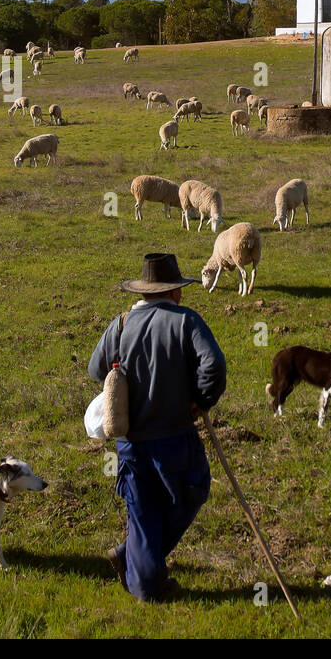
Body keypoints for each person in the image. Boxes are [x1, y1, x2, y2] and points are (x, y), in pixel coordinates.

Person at [89, 252, 226, 601]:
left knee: (143, 509)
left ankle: (130, 555)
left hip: (130, 443)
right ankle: (146, 584)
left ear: (145, 292)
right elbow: (214, 368)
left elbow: (95, 370)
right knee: (193, 489)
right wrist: (200, 402)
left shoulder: (120, 324)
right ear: (176, 291)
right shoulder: (186, 321)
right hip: (175, 436)